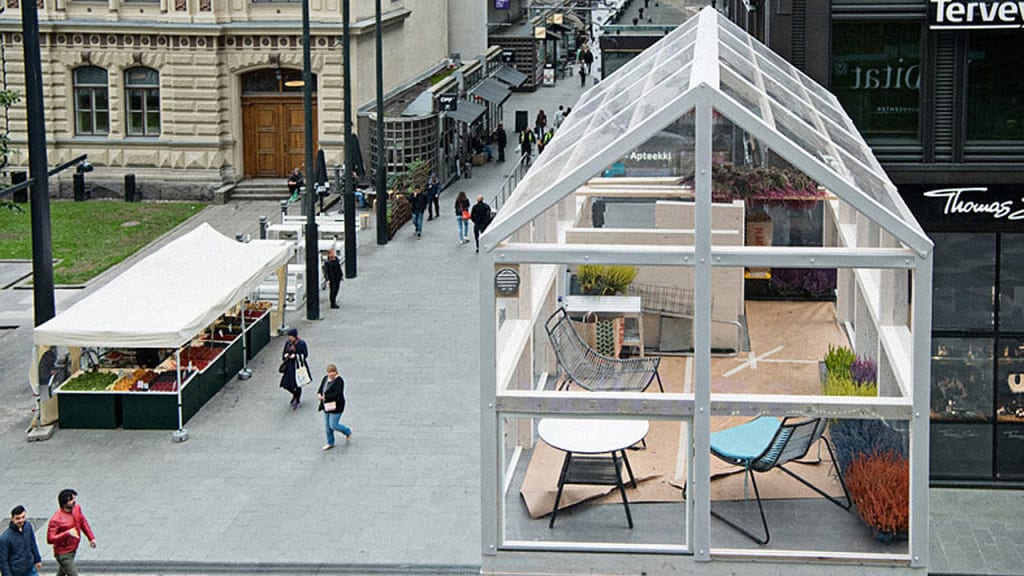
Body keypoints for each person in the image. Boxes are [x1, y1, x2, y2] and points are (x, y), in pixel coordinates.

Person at [46, 490, 95, 576]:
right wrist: (67, 533)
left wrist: (91, 538)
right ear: (64, 503)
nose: (74, 501)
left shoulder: (77, 509)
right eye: (71, 500)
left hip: (73, 549)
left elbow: (83, 522)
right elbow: (50, 539)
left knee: (62, 571)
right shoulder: (56, 519)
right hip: (63, 553)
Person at [317, 363, 352, 450]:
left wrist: (326, 397)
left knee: (333, 425)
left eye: (333, 372)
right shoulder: (325, 379)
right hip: (326, 405)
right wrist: (319, 394)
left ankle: (347, 431)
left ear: (336, 372)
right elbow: (321, 388)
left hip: (336, 406)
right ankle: (330, 442)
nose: (331, 374)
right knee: (327, 425)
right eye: (329, 372)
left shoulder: (339, 381)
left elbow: (338, 393)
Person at [1, 505, 42, 576]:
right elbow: (3, 561)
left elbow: (33, 543)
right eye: (18, 518)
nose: (21, 520)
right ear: (12, 519)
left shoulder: (28, 527)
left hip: (30, 567)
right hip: (16, 572)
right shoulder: (5, 538)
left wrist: (37, 559)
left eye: (23, 517)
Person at [279, 328, 308, 409]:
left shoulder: (301, 343)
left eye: (291, 336)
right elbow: (284, 353)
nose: (290, 338)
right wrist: (286, 356)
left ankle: (297, 399)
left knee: (297, 383)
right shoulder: (288, 343)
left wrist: (296, 356)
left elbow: (305, 354)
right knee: (286, 384)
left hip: (298, 366)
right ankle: (295, 395)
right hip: (289, 366)